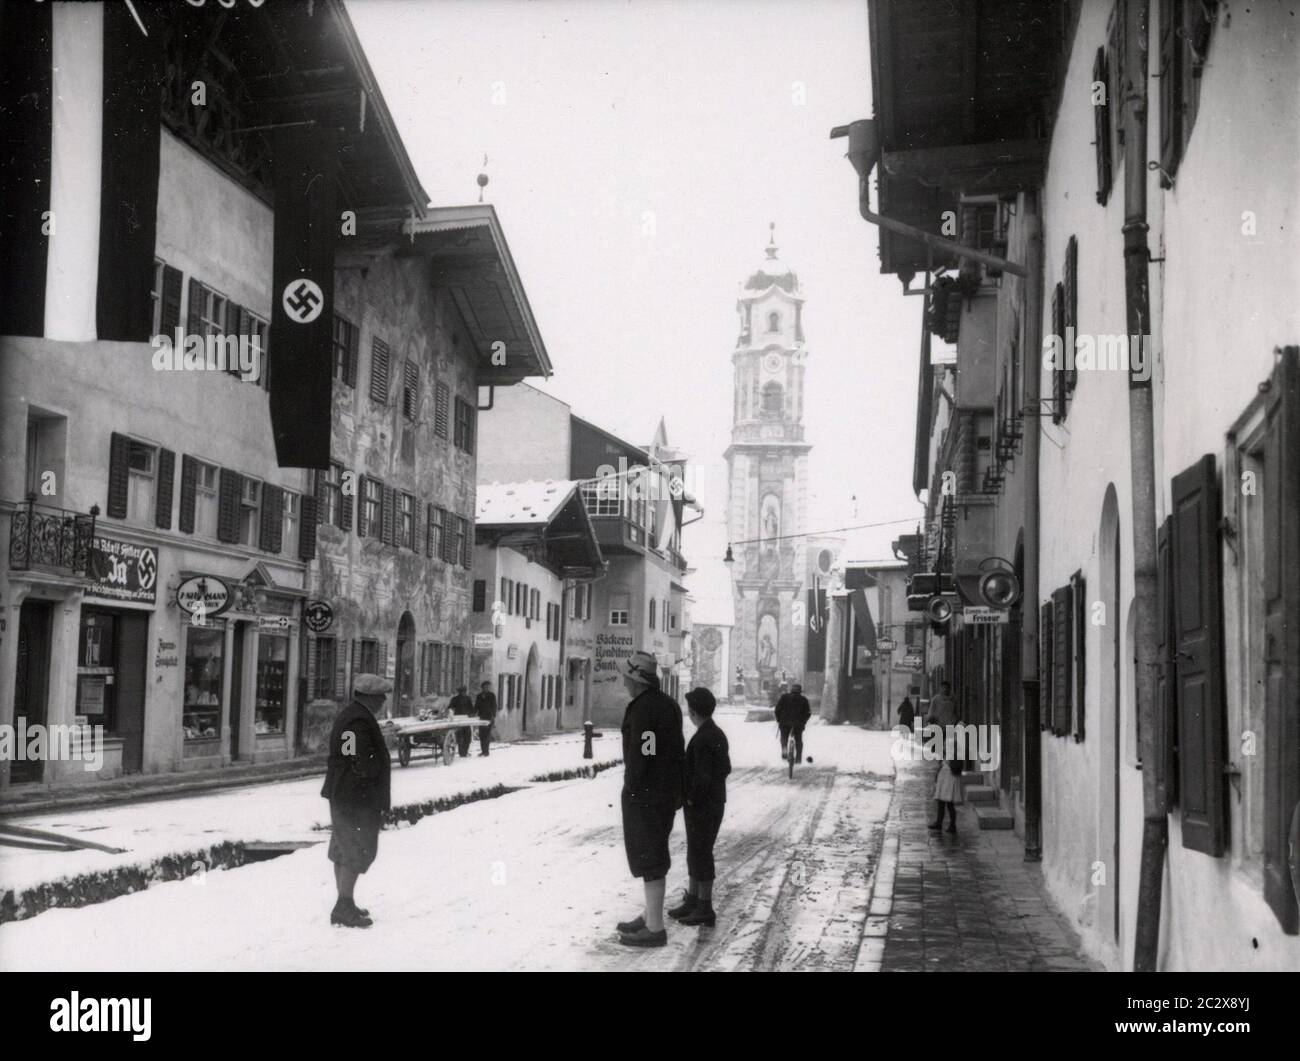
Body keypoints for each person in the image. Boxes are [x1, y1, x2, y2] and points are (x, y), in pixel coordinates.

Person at [614, 650, 686, 948]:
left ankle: (654, 928)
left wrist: (633, 786)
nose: (624, 682)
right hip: (664, 793)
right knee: (654, 853)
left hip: (647, 795)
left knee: (650, 856)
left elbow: (646, 751)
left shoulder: (644, 709)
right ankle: (650, 915)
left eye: (626, 677)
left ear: (635, 680)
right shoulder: (667, 704)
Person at [320, 673, 393, 928]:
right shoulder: (356, 721)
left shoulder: (355, 716)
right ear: (369, 697)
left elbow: (350, 754)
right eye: (381, 696)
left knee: (344, 848)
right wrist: (370, 772)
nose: (384, 700)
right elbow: (353, 756)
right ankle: (343, 906)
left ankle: (346, 902)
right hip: (355, 797)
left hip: (347, 793)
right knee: (356, 849)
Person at [668, 687, 730, 928]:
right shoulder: (715, 733)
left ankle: (704, 906)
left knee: (701, 853)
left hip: (703, 805)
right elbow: (725, 768)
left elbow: (702, 776)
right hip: (712, 803)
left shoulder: (704, 737)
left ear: (693, 711)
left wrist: (692, 797)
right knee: (696, 851)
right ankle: (693, 900)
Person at [927, 681, 961, 833]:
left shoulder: (953, 701)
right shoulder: (936, 700)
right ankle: (941, 823)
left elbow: (957, 715)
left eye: (947, 687)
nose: (945, 690)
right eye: (943, 687)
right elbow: (931, 714)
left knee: (946, 799)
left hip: (949, 770)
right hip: (945, 766)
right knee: (942, 798)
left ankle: (949, 824)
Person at [774, 682, 811, 763]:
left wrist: (778, 719)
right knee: (798, 740)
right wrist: (804, 722)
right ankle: (798, 758)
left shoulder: (784, 697)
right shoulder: (804, 699)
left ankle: (784, 748)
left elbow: (777, 710)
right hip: (798, 723)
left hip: (784, 722)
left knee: (784, 737)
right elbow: (808, 713)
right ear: (800, 691)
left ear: (791, 690)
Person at [449, 684, 474, 756]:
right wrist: (451, 715)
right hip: (458, 719)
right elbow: (450, 708)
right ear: (459, 692)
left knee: (468, 736)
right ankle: (462, 752)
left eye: (464, 691)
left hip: (466, 719)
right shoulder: (455, 699)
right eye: (461, 691)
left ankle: (465, 751)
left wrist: (471, 714)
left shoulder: (468, 699)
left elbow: (471, 708)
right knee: (460, 736)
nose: (463, 693)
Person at [474, 680, 498, 756]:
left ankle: (486, 751)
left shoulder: (491, 695)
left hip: (489, 717)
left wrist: (493, 716)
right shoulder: (479, 696)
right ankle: (483, 751)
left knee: (487, 735)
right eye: (484, 687)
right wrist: (472, 713)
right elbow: (476, 706)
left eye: (487, 687)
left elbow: (494, 706)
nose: (486, 688)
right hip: (481, 717)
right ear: (482, 688)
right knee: (481, 734)